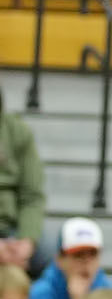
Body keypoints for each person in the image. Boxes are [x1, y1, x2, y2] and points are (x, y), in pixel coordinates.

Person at [28, 218, 112, 299]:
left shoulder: (107, 291)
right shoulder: (40, 294)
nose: (86, 262)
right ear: (59, 260)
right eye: (78, 255)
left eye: (93, 255)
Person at [0, 88, 47, 279]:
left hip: (13, 228)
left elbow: (32, 197)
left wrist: (27, 241)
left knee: (48, 254)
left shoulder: (19, 131)